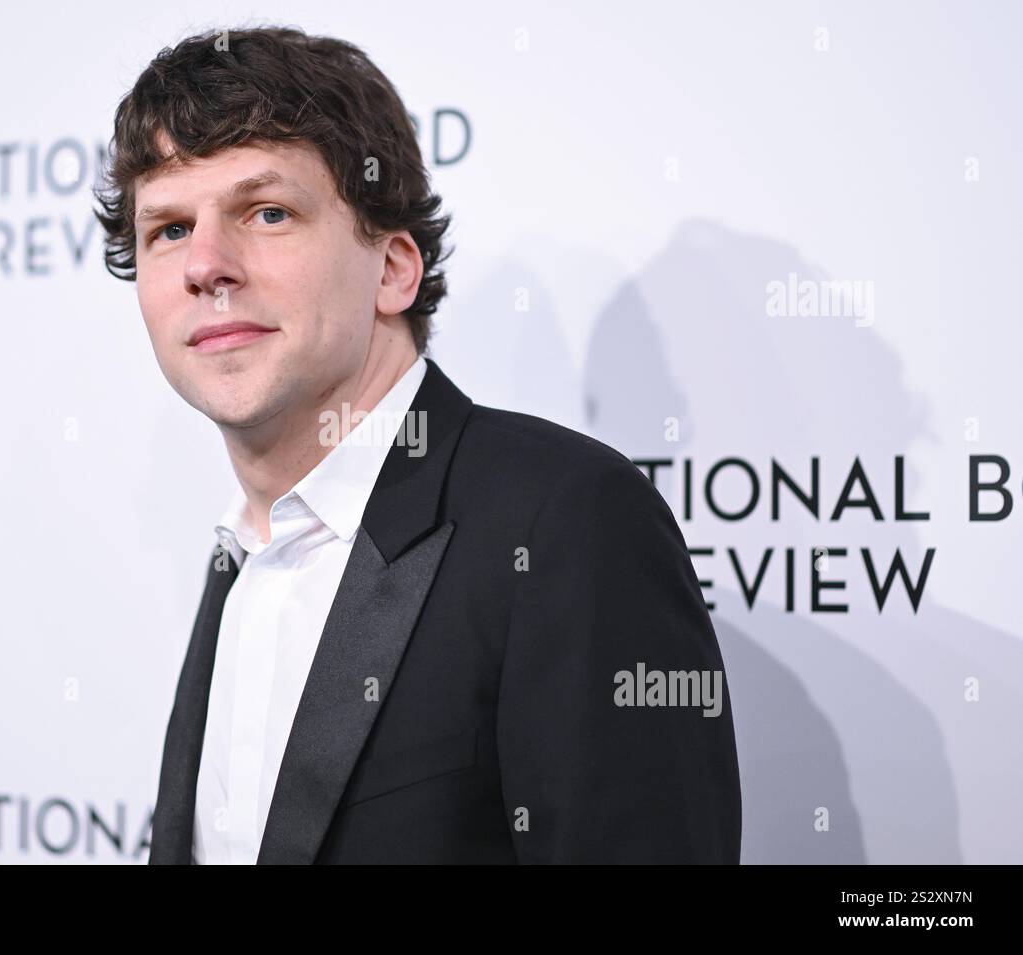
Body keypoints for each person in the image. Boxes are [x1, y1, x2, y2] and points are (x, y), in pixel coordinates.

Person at [94, 25, 741, 864]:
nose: (206, 264)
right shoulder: (241, 555)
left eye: (267, 211)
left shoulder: (567, 524)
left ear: (395, 267)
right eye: (169, 229)